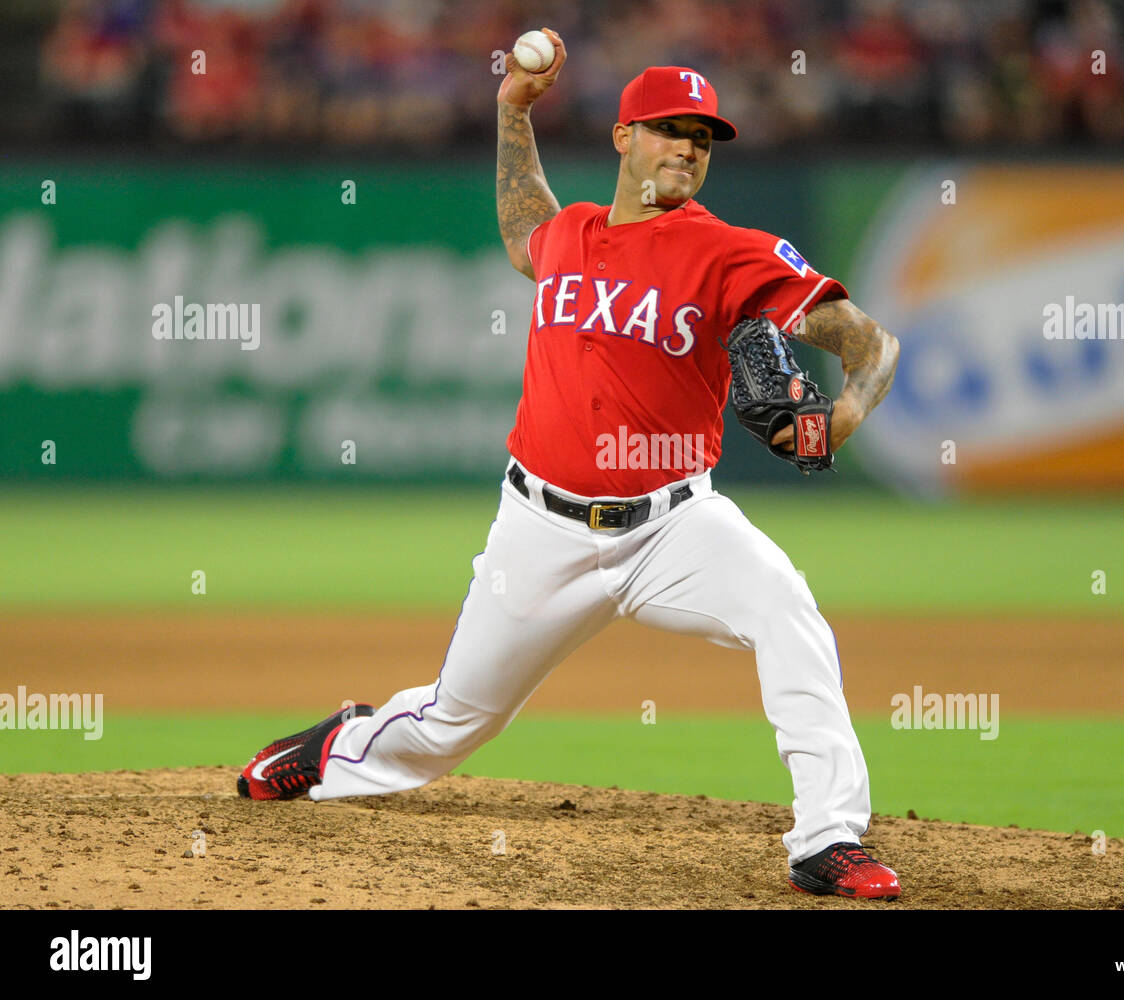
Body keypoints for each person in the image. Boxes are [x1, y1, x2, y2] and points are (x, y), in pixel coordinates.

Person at [238, 28, 903, 900]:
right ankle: (333, 750)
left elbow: (869, 340)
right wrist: (513, 108)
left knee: (788, 610)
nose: (688, 151)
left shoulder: (732, 252)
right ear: (625, 138)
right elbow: (525, 225)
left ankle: (827, 838)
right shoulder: (572, 236)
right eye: (671, 130)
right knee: (449, 726)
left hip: (673, 524)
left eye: (702, 139)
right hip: (537, 529)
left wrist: (844, 414)